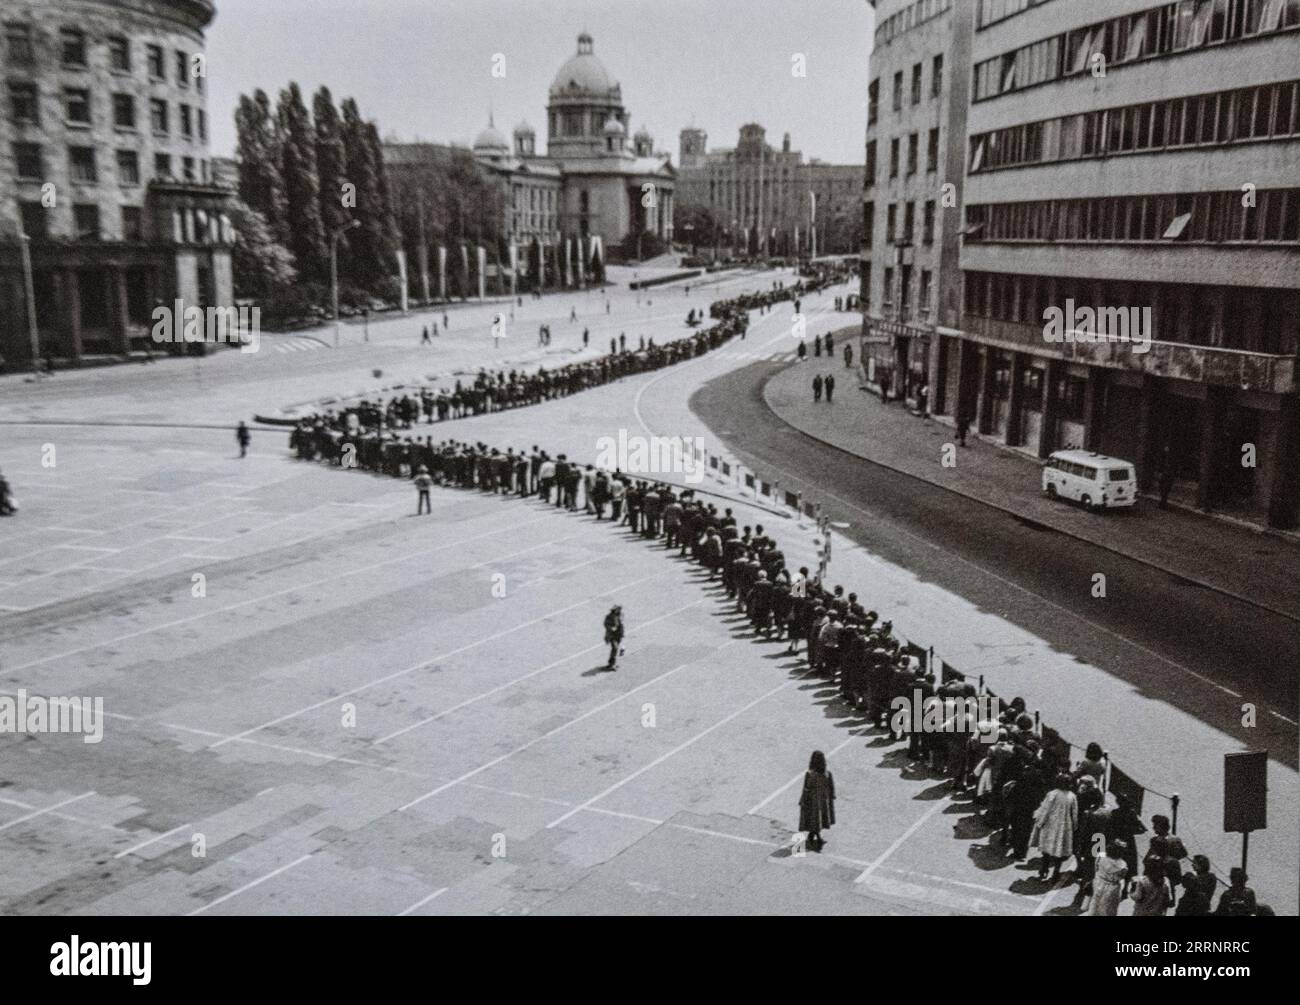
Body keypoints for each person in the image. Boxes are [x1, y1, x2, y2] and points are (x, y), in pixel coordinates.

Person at [798, 750, 835, 852]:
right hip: (823, 801)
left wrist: (802, 800)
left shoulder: (810, 774)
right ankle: (814, 836)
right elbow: (831, 788)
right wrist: (830, 798)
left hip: (812, 801)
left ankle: (814, 837)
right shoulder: (827, 774)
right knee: (819, 819)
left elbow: (806, 788)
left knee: (813, 819)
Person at [1085, 841, 1129, 916]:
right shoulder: (1122, 864)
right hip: (1112, 887)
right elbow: (1121, 877)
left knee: (1095, 903)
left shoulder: (1101, 855)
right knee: (1108, 908)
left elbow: (1096, 868)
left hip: (1099, 882)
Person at [604, 605, 625, 670]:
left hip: (619, 634)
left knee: (615, 649)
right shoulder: (608, 617)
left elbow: (620, 623)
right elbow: (606, 624)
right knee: (615, 648)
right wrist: (611, 628)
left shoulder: (620, 615)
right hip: (612, 635)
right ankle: (612, 664)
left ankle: (611, 662)